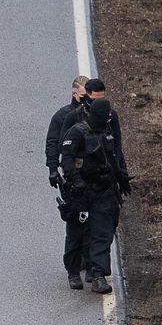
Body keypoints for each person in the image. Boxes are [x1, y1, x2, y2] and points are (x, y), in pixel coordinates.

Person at [60, 99, 131, 293]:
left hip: (103, 191)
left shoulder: (106, 134)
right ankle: (73, 271)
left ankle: (98, 275)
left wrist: (121, 178)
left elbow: (113, 160)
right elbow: (66, 159)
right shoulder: (76, 132)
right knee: (77, 232)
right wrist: (75, 180)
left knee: (103, 232)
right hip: (80, 192)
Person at [46, 76, 91, 287]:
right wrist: (53, 168)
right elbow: (53, 142)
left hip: (91, 177)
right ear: (74, 92)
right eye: (84, 94)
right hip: (70, 177)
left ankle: (89, 260)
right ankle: (73, 265)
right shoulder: (64, 116)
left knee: (94, 221)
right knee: (75, 220)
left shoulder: (95, 115)